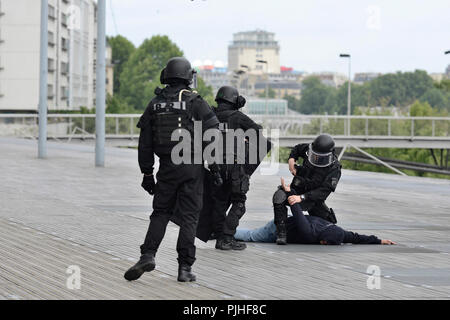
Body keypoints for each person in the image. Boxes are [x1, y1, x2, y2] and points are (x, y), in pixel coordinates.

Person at [124, 57, 220, 283]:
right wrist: (213, 167)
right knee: (189, 218)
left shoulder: (155, 104)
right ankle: (184, 268)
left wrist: (147, 173)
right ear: (188, 76)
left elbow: (144, 142)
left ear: (166, 75)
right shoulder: (195, 101)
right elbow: (213, 133)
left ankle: (148, 255)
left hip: (166, 168)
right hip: (191, 168)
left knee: (160, 213)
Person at [235, 178, 396, 246]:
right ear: (324, 239)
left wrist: (379, 240)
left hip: (290, 222)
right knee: (250, 236)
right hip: (276, 229)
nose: (324, 244)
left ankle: (223, 231)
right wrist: (290, 193)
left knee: (250, 235)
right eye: (326, 243)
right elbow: (297, 211)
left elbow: (354, 237)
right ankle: (221, 231)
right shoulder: (310, 233)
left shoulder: (336, 231)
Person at [210, 86, 264, 251]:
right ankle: (227, 238)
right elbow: (257, 131)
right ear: (235, 101)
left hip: (215, 166)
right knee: (239, 203)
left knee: (219, 203)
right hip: (234, 167)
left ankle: (219, 237)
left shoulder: (210, 116)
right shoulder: (237, 116)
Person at [273, 134, 342, 245]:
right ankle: (281, 232)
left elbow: (323, 192)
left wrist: (302, 198)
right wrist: (291, 159)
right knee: (279, 196)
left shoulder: (334, 169)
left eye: (320, 157)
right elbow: (297, 148)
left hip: (312, 198)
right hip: (297, 189)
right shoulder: (309, 149)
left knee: (328, 227)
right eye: (314, 155)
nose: (316, 158)